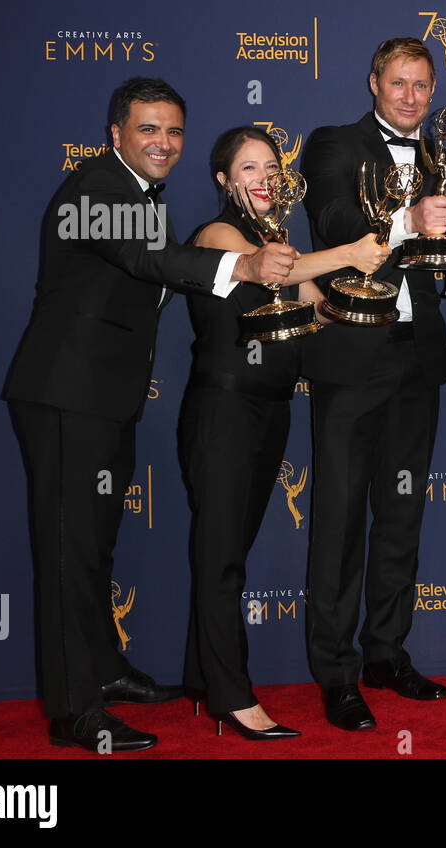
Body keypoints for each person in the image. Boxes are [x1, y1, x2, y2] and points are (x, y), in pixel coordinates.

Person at [3, 78, 297, 751]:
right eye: (148, 130)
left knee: (94, 545)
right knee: (70, 550)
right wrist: (243, 263)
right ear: (116, 135)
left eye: (173, 131)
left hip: (103, 400)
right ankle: (75, 710)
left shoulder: (138, 197)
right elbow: (154, 259)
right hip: (64, 396)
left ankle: (103, 671)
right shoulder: (94, 190)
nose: (163, 142)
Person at [179, 126, 387, 740]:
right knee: (220, 559)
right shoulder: (220, 235)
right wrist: (350, 251)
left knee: (228, 552)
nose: (264, 178)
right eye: (248, 168)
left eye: (271, 166)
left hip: (271, 409)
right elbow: (279, 273)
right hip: (223, 409)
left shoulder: (281, 243)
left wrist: (370, 294)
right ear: (224, 181)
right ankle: (233, 696)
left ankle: (201, 680)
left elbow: (317, 307)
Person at [298, 37, 446, 731]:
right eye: (399, 83)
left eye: (422, 85)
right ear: (373, 83)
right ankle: (336, 673)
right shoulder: (334, 144)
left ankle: (387, 651)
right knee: (337, 520)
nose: (411, 97)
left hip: (419, 360)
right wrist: (405, 220)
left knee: (400, 516)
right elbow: (331, 225)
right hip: (352, 359)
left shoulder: (441, 157)